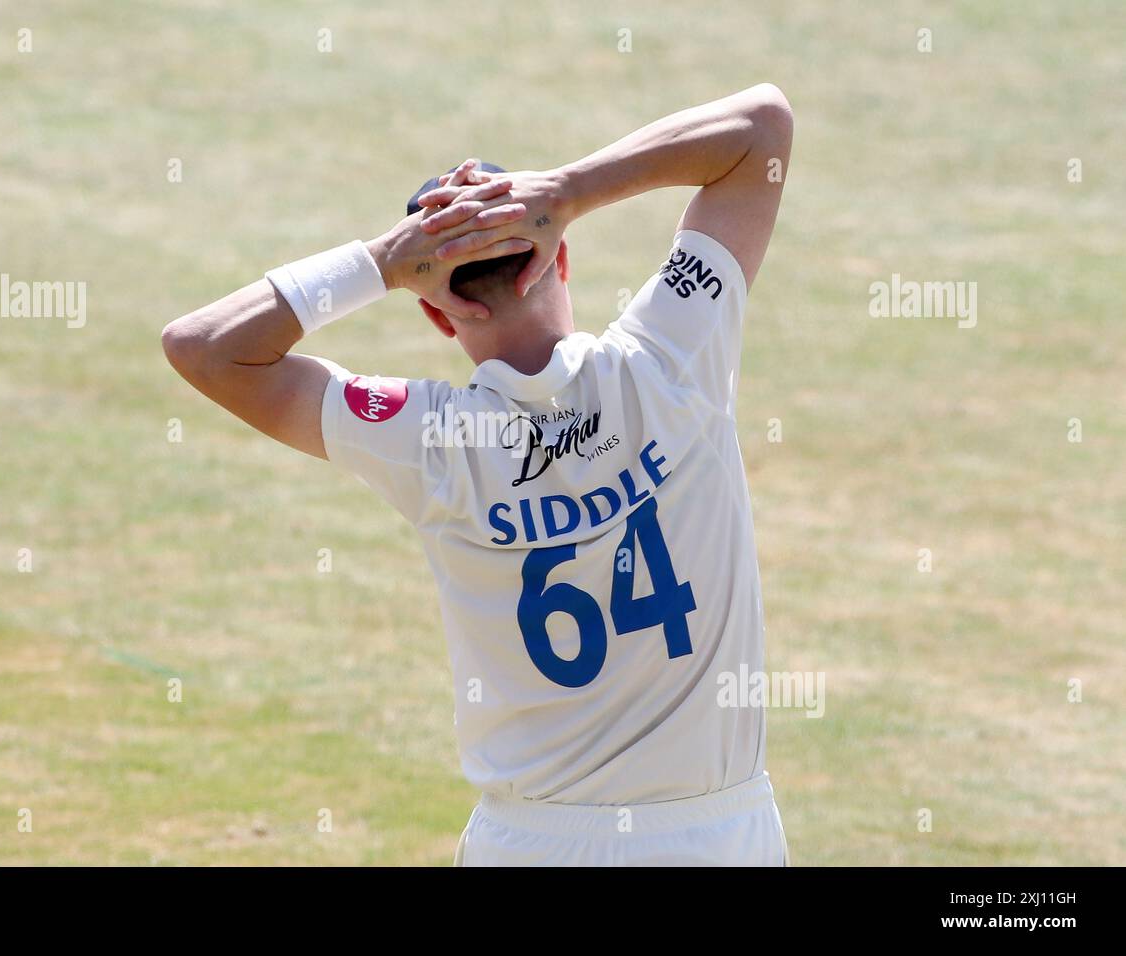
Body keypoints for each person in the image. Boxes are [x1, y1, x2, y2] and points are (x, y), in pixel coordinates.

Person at [162, 83, 794, 866]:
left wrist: (383, 263)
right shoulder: (674, 353)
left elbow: (203, 347)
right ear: (557, 254)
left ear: (434, 311)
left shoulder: (427, 439)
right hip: (716, 840)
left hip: (529, 846)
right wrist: (568, 189)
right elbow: (760, 127)